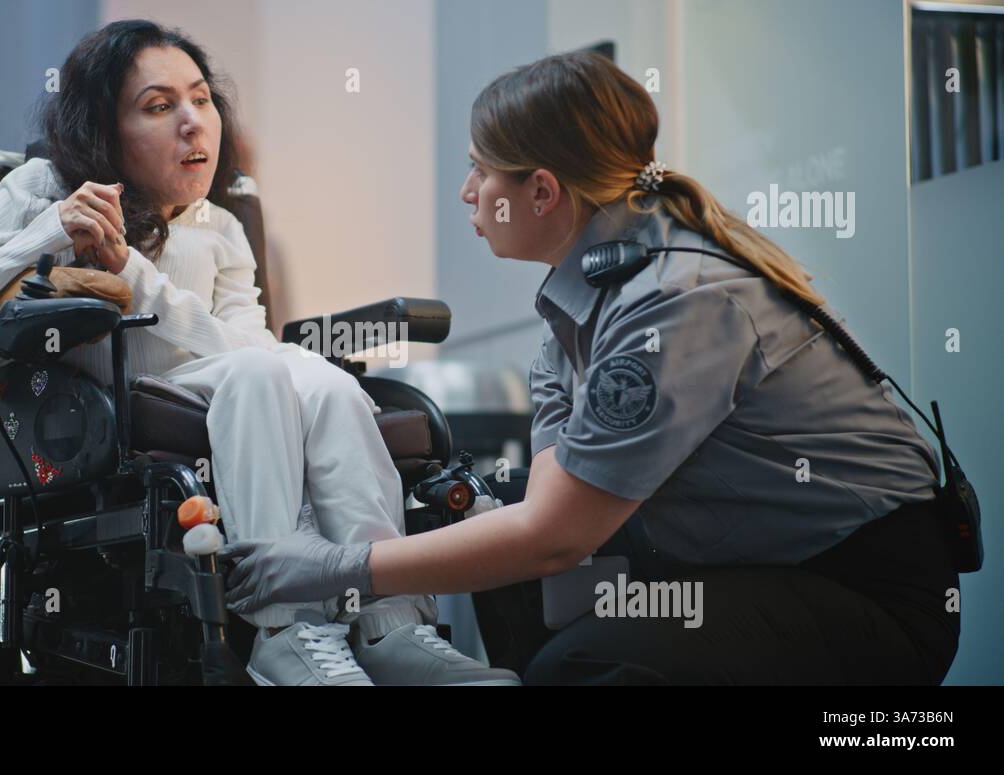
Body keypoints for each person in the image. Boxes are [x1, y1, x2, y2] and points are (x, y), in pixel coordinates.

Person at [219, 50, 961, 685]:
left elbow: (555, 537)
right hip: (751, 560)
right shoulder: (583, 296)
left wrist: (337, 568)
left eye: (480, 170)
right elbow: (546, 504)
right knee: (494, 522)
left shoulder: (674, 304)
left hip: (865, 591)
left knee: (575, 663)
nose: (468, 192)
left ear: (542, 191)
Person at [0, 20, 512, 686]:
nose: (195, 123)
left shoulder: (220, 226)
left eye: (201, 99)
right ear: (103, 131)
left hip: (227, 382)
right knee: (269, 372)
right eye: (160, 106)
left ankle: (392, 626)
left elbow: (246, 344)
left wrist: (136, 276)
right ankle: (285, 629)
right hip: (101, 408)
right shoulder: (44, 188)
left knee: (332, 385)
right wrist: (47, 232)